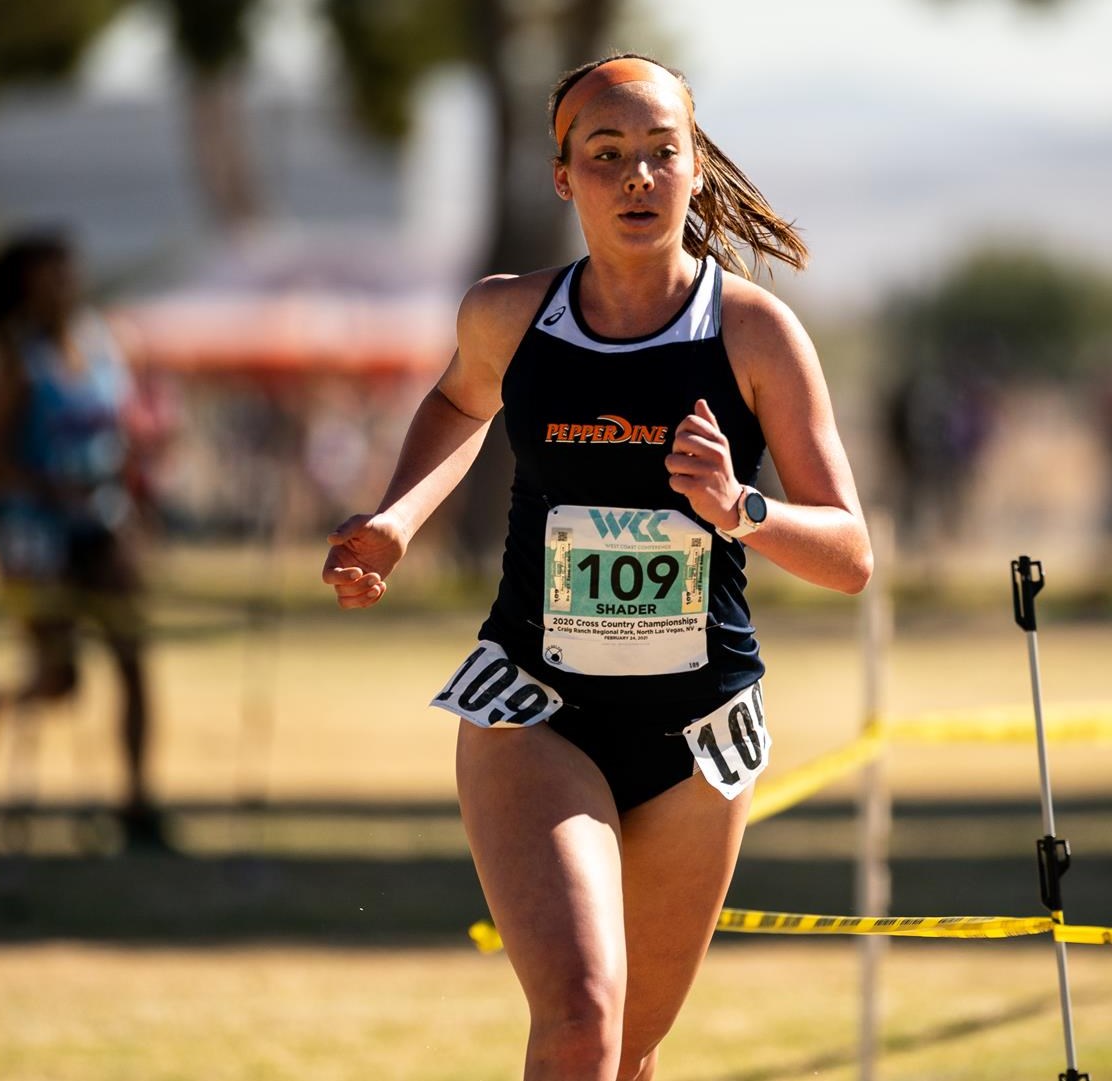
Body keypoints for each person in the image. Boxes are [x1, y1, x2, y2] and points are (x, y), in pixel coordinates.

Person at [322, 54, 871, 1081]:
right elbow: (455, 404)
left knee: (629, 1052)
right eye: (607, 154)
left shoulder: (752, 331)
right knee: (579, 1018)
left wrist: (740, 509)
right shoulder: (509, 315)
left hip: (699, 730)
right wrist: (396, 519)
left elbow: (852, 554)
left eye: (663, 154)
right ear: (563, 176)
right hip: (537, 709)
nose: (638, 178)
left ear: (695, 170)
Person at [0, 232, 166, 851]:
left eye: (67, 276)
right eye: (49, 279)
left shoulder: (105, 344)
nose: (62, 290)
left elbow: (125, 428)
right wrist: (43, 485)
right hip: (37, 532)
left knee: (133, 662)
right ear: (27, 288)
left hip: (104, 525)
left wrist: (135, 476)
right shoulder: (17, 360)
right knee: (60, 678)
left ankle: (138, 803)